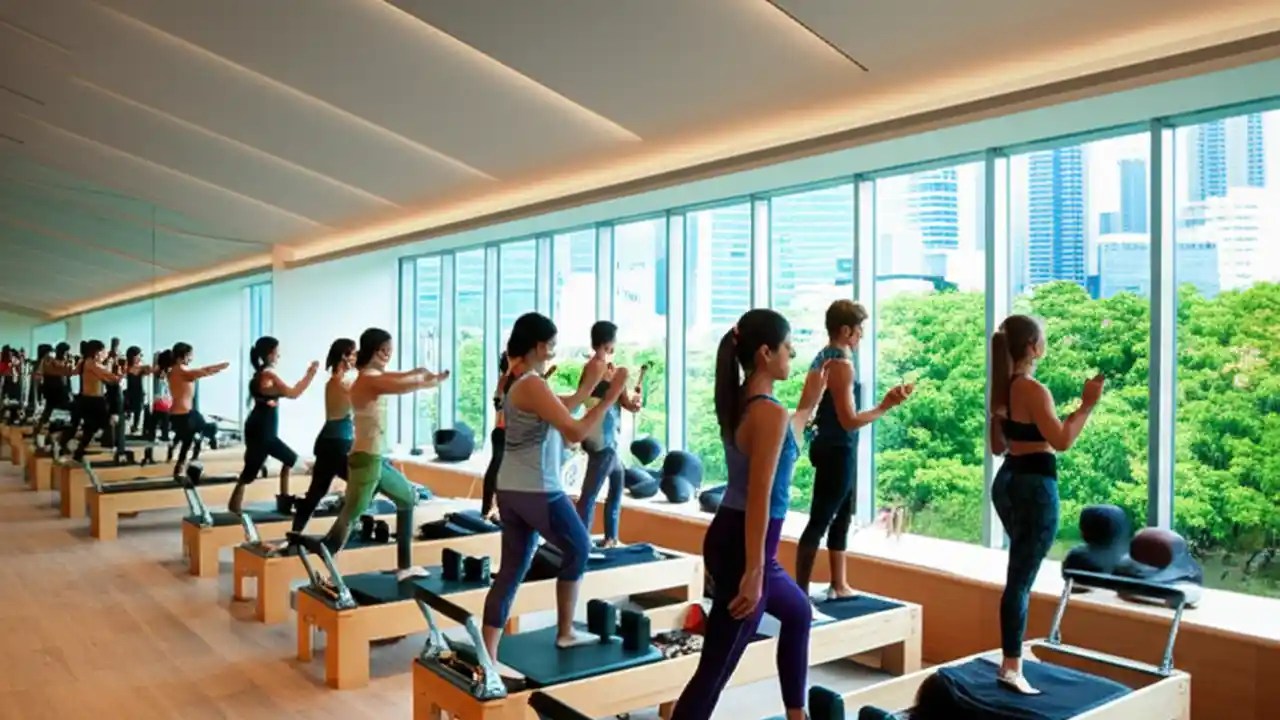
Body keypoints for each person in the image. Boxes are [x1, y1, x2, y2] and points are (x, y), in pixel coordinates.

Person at [669, 309, 820, 720]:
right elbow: (759, 498)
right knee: (715, 669)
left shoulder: (740, 401)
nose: (792, 354)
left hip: (734, 535)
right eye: (787, 347)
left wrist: (809, 403)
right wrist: (754, 571)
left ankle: (797, 714)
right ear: (766, 353)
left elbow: (785, 441)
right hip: (747, 544)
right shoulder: (769, 412)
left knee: (798, 612)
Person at [479, 312, 621, 665]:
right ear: (541, 346)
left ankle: (488, 655)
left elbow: (560, 409)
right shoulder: (532, 383)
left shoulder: (516, 381)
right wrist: (608, 398)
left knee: (511, 570)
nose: (555, 350)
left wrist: (588, 388)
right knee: (580, 548)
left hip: (511, 489)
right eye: (553, 344)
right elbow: (575, 431)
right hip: (538, 489)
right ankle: (565, 632)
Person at [989, 314, 1103, 694]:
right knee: (1020, 581)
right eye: (1044, 339)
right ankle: (1011, 665)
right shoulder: (1034, 390)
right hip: (1035, 486)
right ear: (1033, 347)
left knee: (1018, 573)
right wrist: (1087, 405)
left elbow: (997, 446)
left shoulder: (1002, 388)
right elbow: (1062, 440)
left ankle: (1012, 658)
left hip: (1007, 481)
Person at [793, 300, 912, 600]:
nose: (861, 336)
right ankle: (800, 593)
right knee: (821, 519)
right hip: (837, 447)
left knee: (842, 514)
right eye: (859, 330)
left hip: (829, 444)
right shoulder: (842, 366)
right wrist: (885, 405)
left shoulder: (824, 357)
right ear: (846, 331)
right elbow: (849, 419)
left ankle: (839, 582)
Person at [319, 328, 446, 578]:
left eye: (390, 351)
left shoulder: (374, 376)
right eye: (385, 351)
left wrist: (420, 372)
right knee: (351, 514)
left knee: (407, 497)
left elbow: (398, 377)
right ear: (374, 351)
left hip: (375, 458)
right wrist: (427, 380)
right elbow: (400, 386)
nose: (388, 355)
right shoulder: (368, 379)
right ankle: (325, 551)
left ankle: (405, 566)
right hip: (366, 459)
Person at [574, 321, 645, 548]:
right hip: (603, 442)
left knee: (615, 487)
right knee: (589, 495)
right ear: (609, 343)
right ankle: (581, 542)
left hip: (602, 440)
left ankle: (610, 538)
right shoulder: (605, 370)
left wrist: (634, 400)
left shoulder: (596, 369)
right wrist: (627, 393)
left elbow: (626, 404)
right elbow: (624, 404)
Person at [228, 337, 319, 514]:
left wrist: (273, 397)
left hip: (259, 426)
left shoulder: (260, 374)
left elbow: (270, 394)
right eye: (277, 352)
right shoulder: (268, 375)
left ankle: (283, 500)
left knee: (257, 469)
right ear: (270, 354)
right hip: (264, 431)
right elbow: (293, 393)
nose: (279, 356)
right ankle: (282, 500)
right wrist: (310, 373)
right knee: (290, 462)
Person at [292, 338, 356, 533]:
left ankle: (296, 531)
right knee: (361, 485)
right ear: (344, 356)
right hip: (337, 444)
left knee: (317, 492)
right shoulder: (340, 383)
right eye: (353, 354)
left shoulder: (335, 382)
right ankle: (344, 531)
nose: (356, 358)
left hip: (330, 441)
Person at [168, 342, 231, 475]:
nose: (191, 358)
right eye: (190, 355)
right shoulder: (181, 371)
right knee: (203, 431)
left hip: (180, 413)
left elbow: (201, 371)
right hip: (185, 413)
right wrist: (219, 367)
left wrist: (215, 368)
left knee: (190, 438)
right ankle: (187, 463)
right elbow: (203, 372)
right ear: (182, 356)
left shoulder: (174, 370)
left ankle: (183, 463)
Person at [71, 340, 123, 462]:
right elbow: (112, 378)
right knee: (111, 423)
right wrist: (120, 370)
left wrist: (110, 362)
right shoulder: (93, 364)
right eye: (103, 351)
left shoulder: (86, 362)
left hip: (88, 399)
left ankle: (78, 452)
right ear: (96, 352)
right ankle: (118, 452)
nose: (104, 354)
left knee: (90, 428)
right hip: (95, 401)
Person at [33, 343, 73, 438]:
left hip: (51, 391)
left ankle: (39, 431)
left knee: (48, 411)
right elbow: (66, 373)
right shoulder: (56, 362)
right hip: (58, 391)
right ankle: (55, 434)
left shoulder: (47, 361)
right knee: (68, 411)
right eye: (66, 352)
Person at [123, 347, 151, 435]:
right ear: (133, 357)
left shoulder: (139, 367)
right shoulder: (129, 367)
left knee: (137, 411)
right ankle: (132, 426)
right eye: (138, 355)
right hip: (132, 392)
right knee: (132, 410)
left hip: (138, 392)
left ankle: (135, 426)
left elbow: (149, 371)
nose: (140, 357)